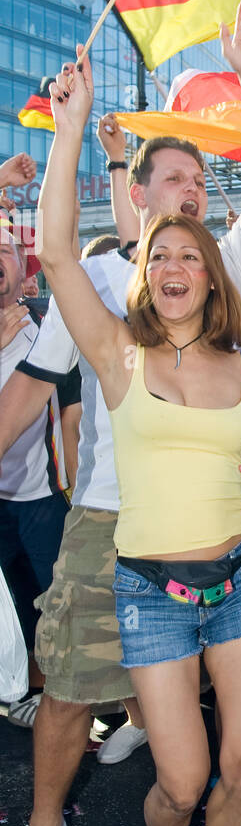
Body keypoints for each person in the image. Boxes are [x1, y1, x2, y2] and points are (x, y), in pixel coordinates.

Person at [0, 6, 241, 826]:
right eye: (173, 180)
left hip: (226, 542)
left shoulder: (228, 274)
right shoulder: (95, 292)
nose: (191, 195)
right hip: (108, 525)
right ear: (134, 195)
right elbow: (33, 382)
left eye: (203, 184)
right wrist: (68, 128)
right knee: (73, 689)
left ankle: (221, 805)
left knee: (234, 720)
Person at [0, 208, 78, 727]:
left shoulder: (44, 328)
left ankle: (44, 694)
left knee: (47, 600)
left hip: (39, 496)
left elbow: (70, 412)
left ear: (22, 267)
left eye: (4, 252)